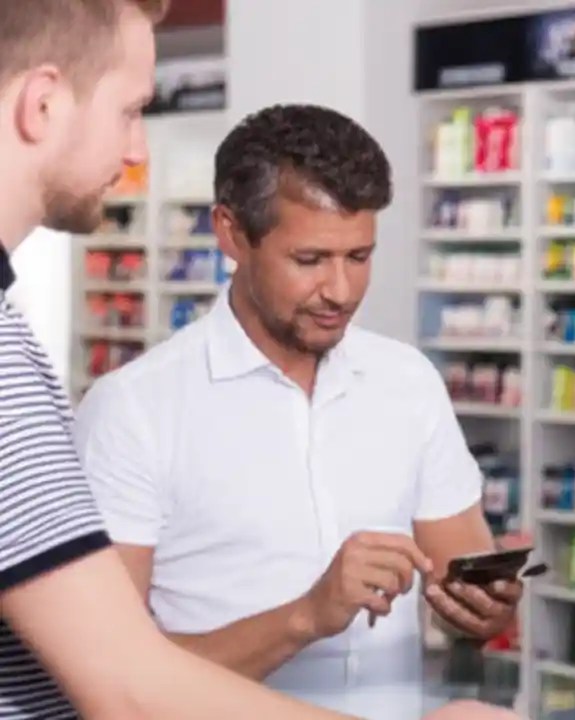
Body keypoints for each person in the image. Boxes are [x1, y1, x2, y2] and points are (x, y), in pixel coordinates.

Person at [0, 2, 516, 719]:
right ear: (232, 235)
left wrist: (480, 600)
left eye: (359, 257)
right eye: (130, 110)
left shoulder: (407, 383)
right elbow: (115, 681)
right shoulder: (128, 407)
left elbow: (112, 673)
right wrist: (306, 614)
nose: (339, 288)